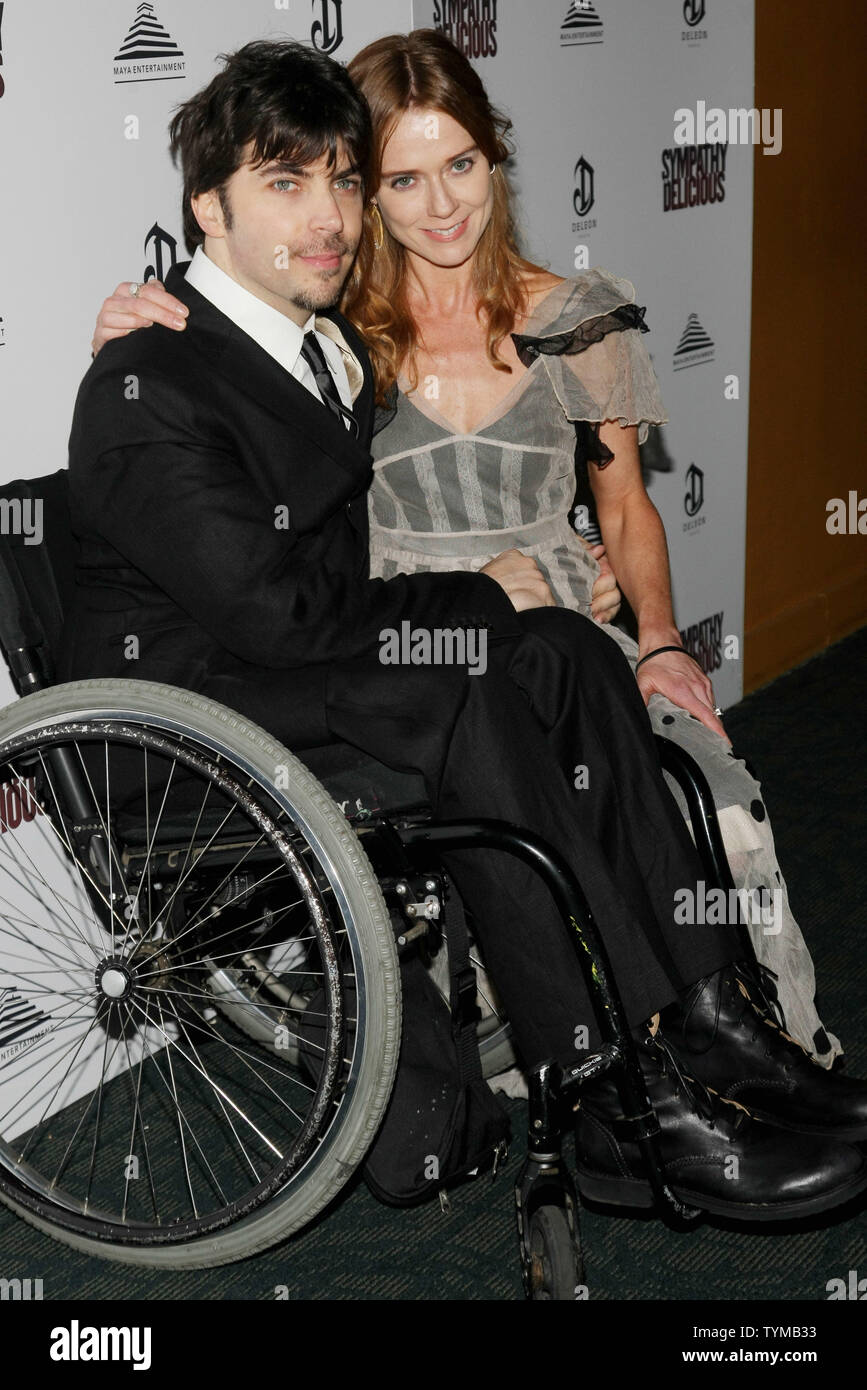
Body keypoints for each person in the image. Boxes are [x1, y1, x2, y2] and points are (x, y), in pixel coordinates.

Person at [73, 38, 867, 1222]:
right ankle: (602, 1098)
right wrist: (485, 594)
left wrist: (555, 611)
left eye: (344, 179)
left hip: (308, 668)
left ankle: (707, 1016)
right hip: (207, 721)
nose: (332, 214)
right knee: (474, 679)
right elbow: (284, 616)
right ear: (207, 204)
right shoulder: (153, 378)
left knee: (558, 652)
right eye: (287, 183)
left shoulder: (312, 343)